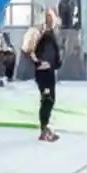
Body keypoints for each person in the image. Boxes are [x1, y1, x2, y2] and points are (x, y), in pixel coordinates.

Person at [23, 8, 62, 142]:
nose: (51, 20)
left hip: (50, 71)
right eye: (48, 17)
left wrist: (57, 63)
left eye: (52, 17)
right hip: (42, 72)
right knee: (46, 98)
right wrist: (38, 63)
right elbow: (28, 49)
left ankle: (46, 127)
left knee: (51, 99)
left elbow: (54, 51)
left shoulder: (52, 33)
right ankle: (44, 129)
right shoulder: (38, 32)